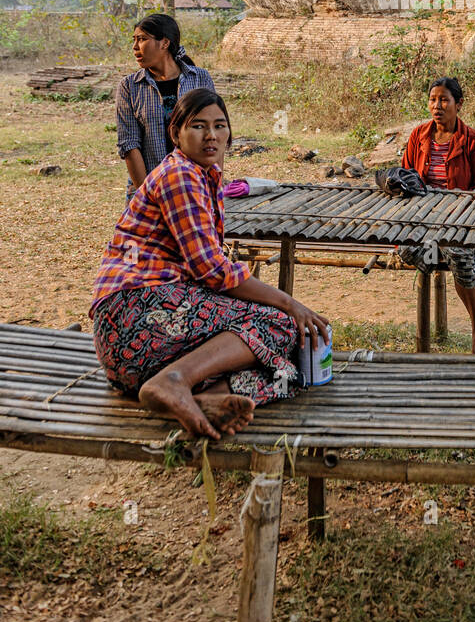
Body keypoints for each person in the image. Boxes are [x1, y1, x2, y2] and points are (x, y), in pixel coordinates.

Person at [91, 87, 330, 441]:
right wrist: (290, 303)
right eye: (198, 126)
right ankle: (175, 380)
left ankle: (205, 398)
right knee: (280, 324)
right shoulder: (180, 176)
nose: (211, 136)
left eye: (220, 126)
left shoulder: (204, 176)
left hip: (136, 353)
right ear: (176, 133)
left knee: (285, 366)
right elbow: (213, 271)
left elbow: (209, 274)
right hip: (135, 313)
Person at [399, 76, 475, 355]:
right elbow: (405, 176)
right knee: (405, 250)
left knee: (459, 251)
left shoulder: (473, 140)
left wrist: (453, 212)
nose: (437, 106)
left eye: (444, 100)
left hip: (458, 219)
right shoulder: (419, 136)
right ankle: (440, 249)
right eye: (432, 99)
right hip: (422, 219)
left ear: (458, 104)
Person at [116, 13, 216, 192]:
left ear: (165, 43)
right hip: (151, 184)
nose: (135, 47)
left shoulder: (199, 78)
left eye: (142, 39)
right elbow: (130, 144)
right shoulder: (130, 87)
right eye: (134, 40)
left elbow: (213, 134)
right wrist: (146, 194)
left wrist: (213, 181)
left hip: (196, 183)